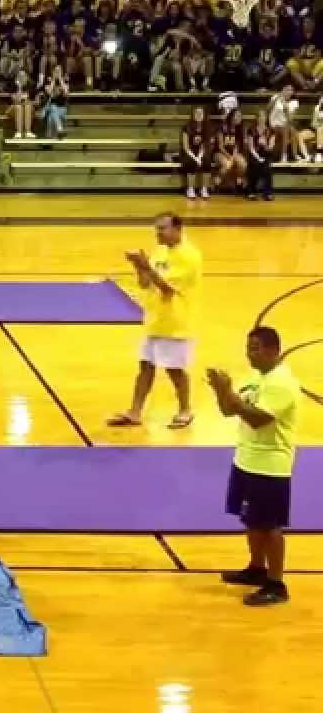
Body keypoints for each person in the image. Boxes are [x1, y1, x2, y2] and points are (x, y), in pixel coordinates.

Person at [208, 326, 299, 606]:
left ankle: (276, 583)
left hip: (270, 464)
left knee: (269, 524)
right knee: (250, 519)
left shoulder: (281, 382)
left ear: (273, 350)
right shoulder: (257, 377)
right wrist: (219, 391)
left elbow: (257, 418)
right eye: (248, 349)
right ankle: (256, 568)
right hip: (246, 458)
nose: (250, 355)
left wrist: (229, 393)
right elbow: (229, 411)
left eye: (255, 349)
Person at [108, 212, 202, 429]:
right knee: (145, 366)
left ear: (177, 229)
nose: (158, 233)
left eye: (162, 229)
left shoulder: (189, 256)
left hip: (176, 322)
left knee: (174, 369)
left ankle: (185, 409)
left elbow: (168, 290)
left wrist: (146, 266)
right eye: (156, 229)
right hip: (154, 319)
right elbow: (144, 284)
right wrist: (138, 266)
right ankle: (135, 412)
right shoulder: (160, 252)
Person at [179, 106, 211, 200]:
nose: (199, 115)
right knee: (190, 162)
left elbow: (204, 145)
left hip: (200, 152)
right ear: (193, 115)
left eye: (201, 113)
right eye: (197, 113)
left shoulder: (206, 127)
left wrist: (200, 157)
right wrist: (195, 158)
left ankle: (204, 189)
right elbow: (186, 147)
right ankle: (190, 189)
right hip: (188, 152)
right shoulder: (187, 127)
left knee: (207, 161)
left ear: (204, 115)